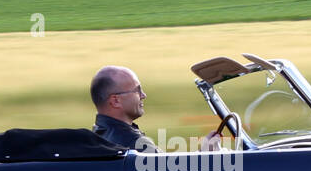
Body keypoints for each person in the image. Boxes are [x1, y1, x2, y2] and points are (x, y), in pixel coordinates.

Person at [90, 65, 223, 152]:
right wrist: (206, 154)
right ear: (115, 100)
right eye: (137, 90)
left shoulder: (99, 132)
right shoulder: (133, 142)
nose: (143, 95)